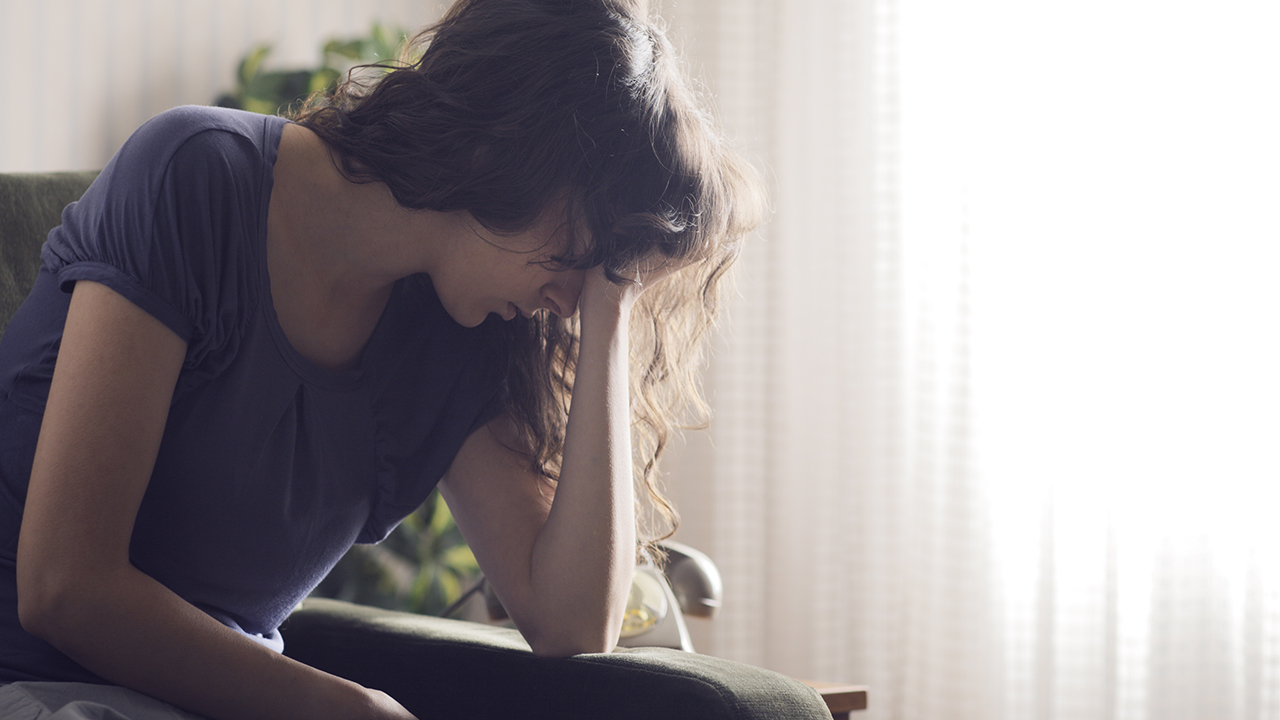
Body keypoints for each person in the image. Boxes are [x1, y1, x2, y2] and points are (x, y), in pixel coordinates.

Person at [0, 0, 762, 718]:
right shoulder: (194, 175)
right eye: (586, 248)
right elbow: (66, 588)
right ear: (505, 154)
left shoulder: (465, 331)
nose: (568, 299)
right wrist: (348, 708)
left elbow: (571, 625)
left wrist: (612, 306)